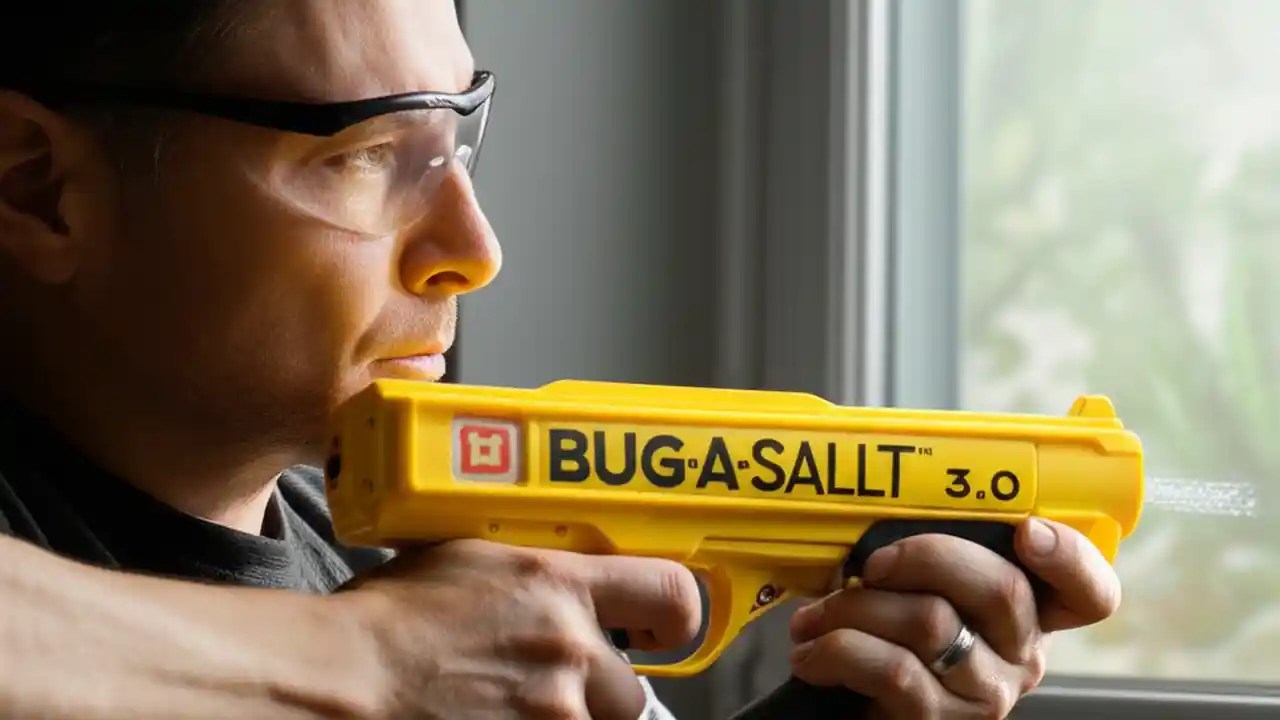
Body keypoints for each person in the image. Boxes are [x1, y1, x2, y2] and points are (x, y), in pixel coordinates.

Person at [0, 2, 1122, 718]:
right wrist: (368, 661)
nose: (471, 252)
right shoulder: (400, 634)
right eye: (368, 152)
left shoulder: (430, 593)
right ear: (36, 187)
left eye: (457, 140)